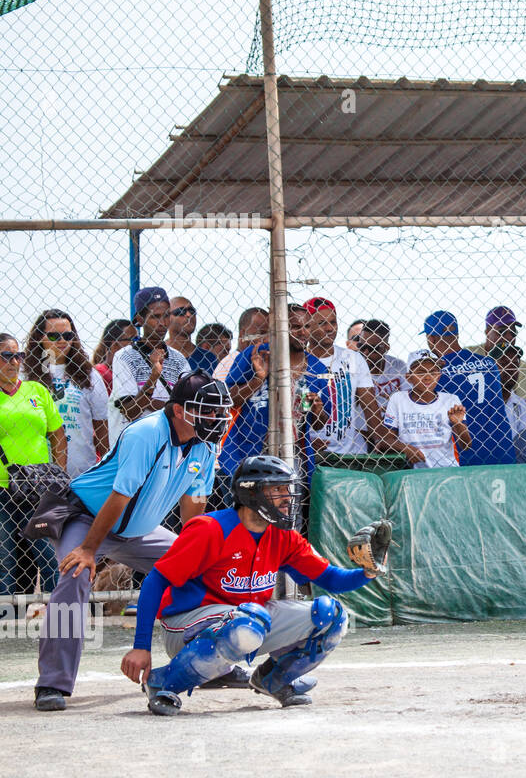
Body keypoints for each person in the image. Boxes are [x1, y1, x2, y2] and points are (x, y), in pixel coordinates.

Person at [120, 455, 383, 714]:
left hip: (246, 621)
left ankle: (273, 680)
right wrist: (141, 646)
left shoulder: (283, 535)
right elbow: (154, 581)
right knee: (248, 621)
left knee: (331, 616)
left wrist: (368, 571)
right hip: (187, 626)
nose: (286, 497)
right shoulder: (209, 529)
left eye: (287, 489)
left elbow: (330, 579)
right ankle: (162, 682)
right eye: (277, 489)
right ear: (251, 493)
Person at [34, 373, 232, 712]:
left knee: (203, 571)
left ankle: (203, 662)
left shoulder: (205, 444)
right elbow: (119, 496)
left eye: (219, 412)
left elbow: (194, 510)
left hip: (139, 530)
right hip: (89, 519)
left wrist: (192, 557)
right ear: (182, 411)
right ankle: (53, 683)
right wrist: (88, 550)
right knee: (75, 574)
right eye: (208, 411)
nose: (217, 420)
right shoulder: (147, 433)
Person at [222, 304, 332, 485]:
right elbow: (230, 399)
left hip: (294, 455)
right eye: (295, 327)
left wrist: (317, 410)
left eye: (307, 327)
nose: (303, 332)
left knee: (288, 509)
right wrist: (258, 379)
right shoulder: (256, 354)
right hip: (248, 452)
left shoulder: (316, 368)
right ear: (280, 327)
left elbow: (319, 424)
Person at [0, 333, 66, 597]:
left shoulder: (36, 391)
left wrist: (58, 475)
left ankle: (59, 616)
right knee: (5, 562)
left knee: (50, 559)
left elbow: (57, 433)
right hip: (3, 490)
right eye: (6, 355)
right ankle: (5, 624)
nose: (14, 362)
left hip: (37, 490)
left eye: (18, 356)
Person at [410, 311, 516, 466]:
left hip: (465, 452)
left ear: (431, 338)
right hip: (501, 448)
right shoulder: (489, 363)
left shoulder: (437, 374)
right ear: (457, 335)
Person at [24, 309, 108, 478]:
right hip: (36, 472)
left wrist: (107, 466)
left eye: (68, 336)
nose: (62, 341)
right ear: (40, 337)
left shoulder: (89, 375)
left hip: (81, 472)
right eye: (54, 336)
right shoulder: (24, 374)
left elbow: (101, 427)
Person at [109, 286, 192, 446]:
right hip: (135, 445)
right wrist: (153, 377)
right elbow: (130, 412)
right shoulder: (125, 357)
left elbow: (187, 409)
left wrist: (153, 403)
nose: (163, 323)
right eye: (155, 317)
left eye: (166, 315)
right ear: (140, 319)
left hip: (168, 445)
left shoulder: (178, 359)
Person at [303, 297, 381, 456]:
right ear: (307, 327)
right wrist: (305, 441)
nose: (330, 328)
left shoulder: (353, 358)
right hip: (308, 451)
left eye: (333, 322)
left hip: (349, 453)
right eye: (322, 323)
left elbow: (371, 410)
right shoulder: (298, 361)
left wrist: (381, 440)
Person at [379, 352, 471, 468]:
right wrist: (405, 448)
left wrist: (458, 424)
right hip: (412, 472)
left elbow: (466, 445)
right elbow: (386, 439)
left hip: (446, 469)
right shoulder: (398, 399)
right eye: (421, 372)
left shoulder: (451, 400)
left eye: (433, 372)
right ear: (409, 377)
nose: (427, 377)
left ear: (439, 375)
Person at [350, 319, 408, 446]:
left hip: (394, 433)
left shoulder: (398, 366)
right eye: (361, 347)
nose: (365, 353)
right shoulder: (351, 367)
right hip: (361, 435)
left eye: (372, 348)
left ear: (386, 348)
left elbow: (408, 402)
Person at [467, 306, 526, 400]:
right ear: (487, 331)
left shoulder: (519, 365)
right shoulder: (468, 354)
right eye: (502, 331)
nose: (508, 337)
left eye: (513, 332)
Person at [490, 343, 526, 437]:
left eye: (515, 364)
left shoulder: (520, 405)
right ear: (490, 367)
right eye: (504, 364)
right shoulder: (479, 401)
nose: (510, 369)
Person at [214, 307, 269, 383]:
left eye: (270, 334)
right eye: (262, 333)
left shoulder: (264, 359)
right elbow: (226, 393)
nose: (267, 339)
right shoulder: (229, 363)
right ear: (242, 334)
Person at [168, 297, 217, 375]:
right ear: (167, 318)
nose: (188, 315)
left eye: (192, 311)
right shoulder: (158, 355)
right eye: (181, 311)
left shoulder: (209, 358)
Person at [91, 318, 136, 392]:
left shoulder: (123, 372)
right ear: (115, 345)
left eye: (138, 339)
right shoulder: (101, 372)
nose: (136, 344)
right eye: (133, 340)